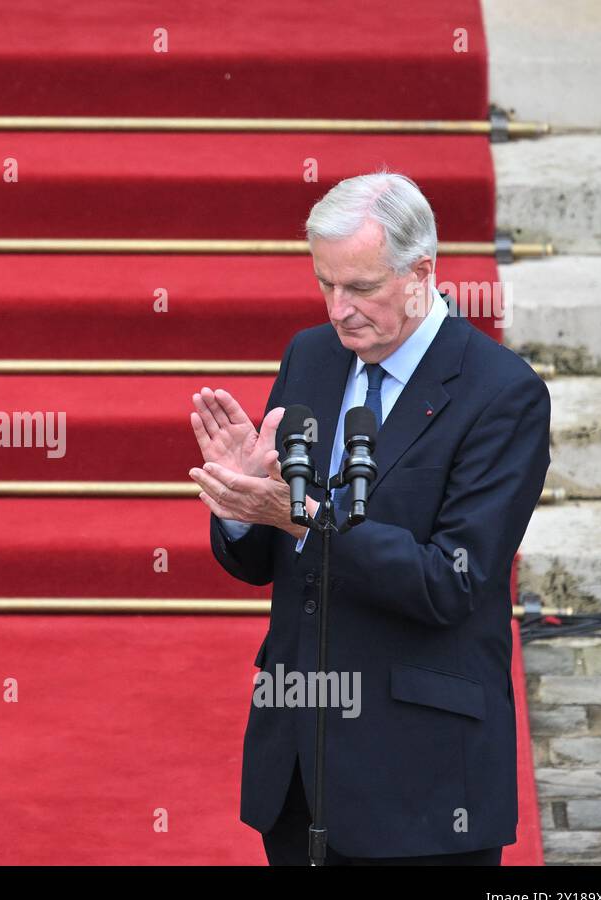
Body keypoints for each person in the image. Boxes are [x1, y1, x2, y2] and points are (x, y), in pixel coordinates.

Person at [188, 172, 550, 864]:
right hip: (297, 767)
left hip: (423, 780)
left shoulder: (503, 395)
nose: (339, 309)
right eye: (325, 284)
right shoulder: (311, 356)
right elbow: (262, 560)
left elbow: (452, 584)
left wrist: (304, 517)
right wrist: (244, 499)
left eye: (361, 287)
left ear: (422, 274)